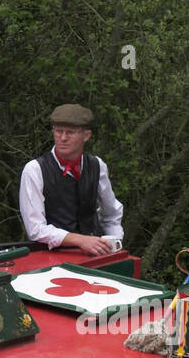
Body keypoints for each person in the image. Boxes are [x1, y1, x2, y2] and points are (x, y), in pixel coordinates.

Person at [19, 104, 124, 256]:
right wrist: (81, 240)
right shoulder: (34, 170)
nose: (62, 138)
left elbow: (112, 213)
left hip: (94, 256)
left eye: (70, 133)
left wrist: (114, 242)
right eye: (58, 131)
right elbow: (36, 229)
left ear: (86, 136)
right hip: (50, 259)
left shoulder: (97, 165)